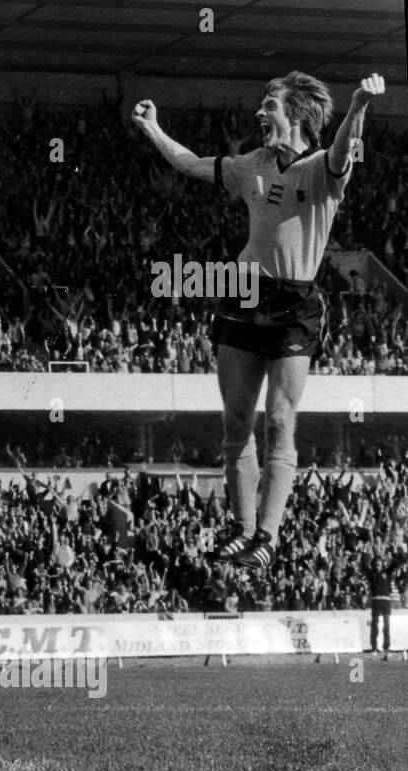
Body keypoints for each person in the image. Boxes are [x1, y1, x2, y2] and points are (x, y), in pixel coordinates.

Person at [133, 71, 385, 569]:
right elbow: (189, 164)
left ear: (295, 115)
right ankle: (242, 528)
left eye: (269, 105)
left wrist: (358, 105)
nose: (259, 113)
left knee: (280, 419)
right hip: (241, 294)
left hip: (294, 305)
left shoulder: (322, 168)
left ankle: (266, 537)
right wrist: (152, 127)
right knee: (235, 422)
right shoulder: (252, 164)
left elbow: (343, 148)